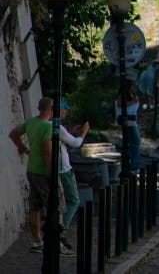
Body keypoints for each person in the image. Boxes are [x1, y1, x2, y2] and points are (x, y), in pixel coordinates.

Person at [8, 97, 56, 253]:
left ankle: (36, 240)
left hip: (31, 170)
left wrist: (23, 148)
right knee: (55, 205)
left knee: (34, 207)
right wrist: (52, 174)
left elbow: (13, 134)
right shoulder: (47, 127)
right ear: (50, 109)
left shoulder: (31, 123)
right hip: (43, 172)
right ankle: (55, 240)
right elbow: (48, 153)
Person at [57, 100, 89, 253]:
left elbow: (64, 141)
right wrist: (84, 132)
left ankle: (60, 231)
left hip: (59, 169)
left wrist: (70, 132)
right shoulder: (58, 127)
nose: (66, 112)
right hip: (64, 170)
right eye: (65, 110)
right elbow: (76, 144)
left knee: (63, 202)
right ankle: (61, 232)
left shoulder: (57, 127)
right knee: (74, 200)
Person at [116, 73, 141, 173]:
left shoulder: (131, 92)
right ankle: (134, 165)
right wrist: (133, 102)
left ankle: (133, 164)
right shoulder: (123, 92)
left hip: (132, 119)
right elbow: (119, 104)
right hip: (128, 120)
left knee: (134, 141)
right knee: (136, 141)